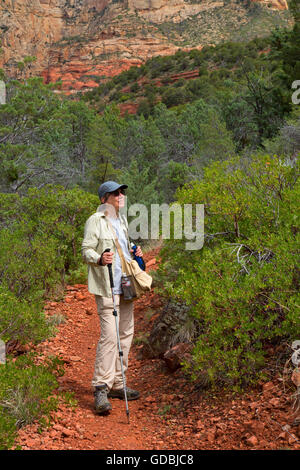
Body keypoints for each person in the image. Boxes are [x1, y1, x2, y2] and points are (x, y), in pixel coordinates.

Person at [81, 181, 143, 414]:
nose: (121, 195)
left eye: (122, 192)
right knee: (110, 336)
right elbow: (86, 249)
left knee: (126, 334)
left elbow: (124, 247)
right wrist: (98, 258)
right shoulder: (95, 220)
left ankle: (118, 383)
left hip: (125, 283)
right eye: (115, 193)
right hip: (107, 286)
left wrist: (134, 250)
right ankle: (101, 387)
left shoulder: (122, 220)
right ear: (104, 199)